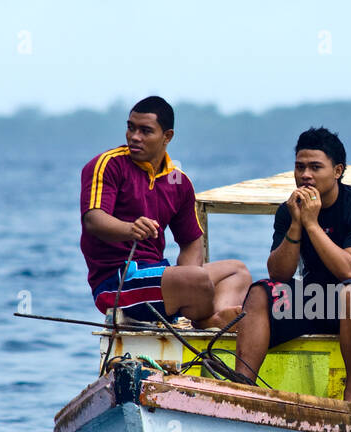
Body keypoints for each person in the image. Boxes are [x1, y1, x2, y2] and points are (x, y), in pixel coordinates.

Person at [233, 127, 351, 402]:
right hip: (319, 301)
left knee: (350, 293)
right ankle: (242, 389)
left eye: (315, 167)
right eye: (300, 167)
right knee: (261, 291)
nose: (305, 174)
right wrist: (297, 223)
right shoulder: (290, 209)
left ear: (337, 170)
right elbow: (279, 274)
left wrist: (311, 223)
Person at [79, 95, 250, 328]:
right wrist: (130, 229)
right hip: (116, 283)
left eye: (145, 131)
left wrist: (189, 278)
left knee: (238, 272)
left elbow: (191, 241)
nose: (134, 137)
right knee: (198, 278)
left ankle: (213, 322)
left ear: (167, 136)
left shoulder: (179, 182)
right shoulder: (107, 164)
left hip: (157, 276)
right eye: (131, 128)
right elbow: (93, 220)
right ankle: (209, 319)